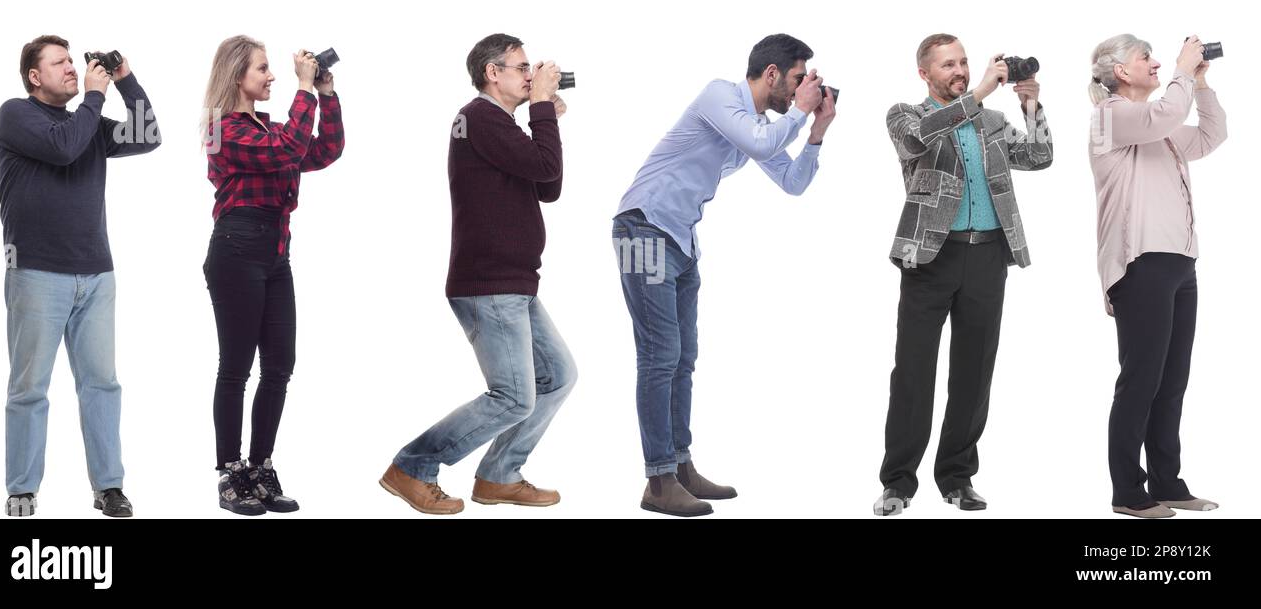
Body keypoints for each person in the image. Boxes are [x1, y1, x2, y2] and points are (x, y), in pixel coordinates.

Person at [614, 33, 835, 517]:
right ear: (772, 74)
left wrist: (816, 130)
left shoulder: (757, 124)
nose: (804, 89)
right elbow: (760, 142)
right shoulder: (721, 95)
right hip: (642, 229)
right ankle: (657, 480)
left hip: (681, 242)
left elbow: (793, 183)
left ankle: (680, 466)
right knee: (659, 356)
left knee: (684, 358)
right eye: (799, 80)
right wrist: (799, 113)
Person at [380, 33, 576, 515]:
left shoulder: (501, 125)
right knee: (513, 397)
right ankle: (413, 465)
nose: (531, 76)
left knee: (559, 376)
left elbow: (548, 185)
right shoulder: (478, 117)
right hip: (489, 283)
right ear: (494, 72)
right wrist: (543, 110)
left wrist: (542, 113)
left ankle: (499, 475)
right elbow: (546, 165)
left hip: (515, 283)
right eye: (522, 67)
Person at [875, 33, 1052, 516]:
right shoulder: (906, 115)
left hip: (988, 256)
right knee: (913, 372)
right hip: (931, 258)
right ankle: (897, 482)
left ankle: (956, 476)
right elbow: (916, 140)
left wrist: (1032, 107)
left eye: (964, 62)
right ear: (925, 73)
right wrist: (975, 96)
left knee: (974, 374)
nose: (959, 70)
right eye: (948, 64)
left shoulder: (993, 122)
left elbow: (1038, 157)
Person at [0, 35, 161, 517]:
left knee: (101, 384)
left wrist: (126, 81)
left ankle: (109, 486)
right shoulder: (15, 115)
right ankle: (22, 488)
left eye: (74, 61)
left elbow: (147, 136)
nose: (72, 67)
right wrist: (94, 94)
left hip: (96, 274)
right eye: (60, 63)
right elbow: (65, 148)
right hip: (35, 273)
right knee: (29, 387)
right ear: (34, 76)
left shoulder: (85, 121)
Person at [201, 35, 344, 516]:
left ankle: (260, 468)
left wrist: (324, 92)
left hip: (275, 253)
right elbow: (284, 152)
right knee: (236, 367)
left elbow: (324, 150)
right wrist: (304, 89)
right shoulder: (223, 130)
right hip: (237, 250)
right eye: (262, 69)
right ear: (236, 75)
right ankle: (230, 472)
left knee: (280, 365)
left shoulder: (273, 128)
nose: (272, 76)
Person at [1088, 34, 1225, 518]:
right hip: (1140, 262)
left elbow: (1211, 136)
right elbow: (1163, 114)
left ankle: (1168, 482)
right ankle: (1128, 491)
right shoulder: (1112, 116)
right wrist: (1183, 73)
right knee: (1141, 380)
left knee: (1172, 380)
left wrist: (1200, 85)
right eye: (1146, 57)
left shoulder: (1158, 128)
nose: (1158, 63)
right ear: (1120, 71)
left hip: (1179, 263)